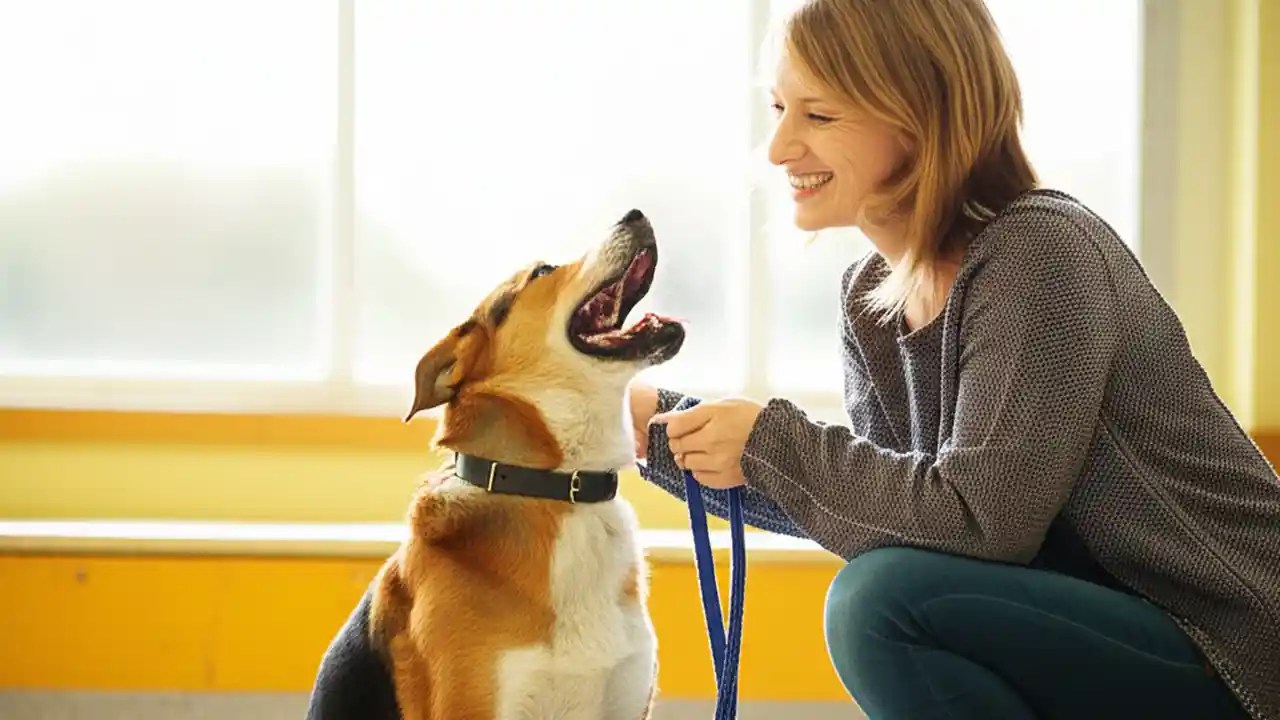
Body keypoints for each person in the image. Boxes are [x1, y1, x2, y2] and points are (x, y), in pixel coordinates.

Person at [627, 1, 1280, 718]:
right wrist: (655, 426)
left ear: (920, 113)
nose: (778, 147)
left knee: (877, 603)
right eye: (780, 107)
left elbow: (979, 522)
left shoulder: (1040, 253)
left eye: (818, 115)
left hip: (1232, 649)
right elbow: (893, 516)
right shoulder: (871, 299)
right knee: (884, 587)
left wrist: (768, 441)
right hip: (1107, 637)